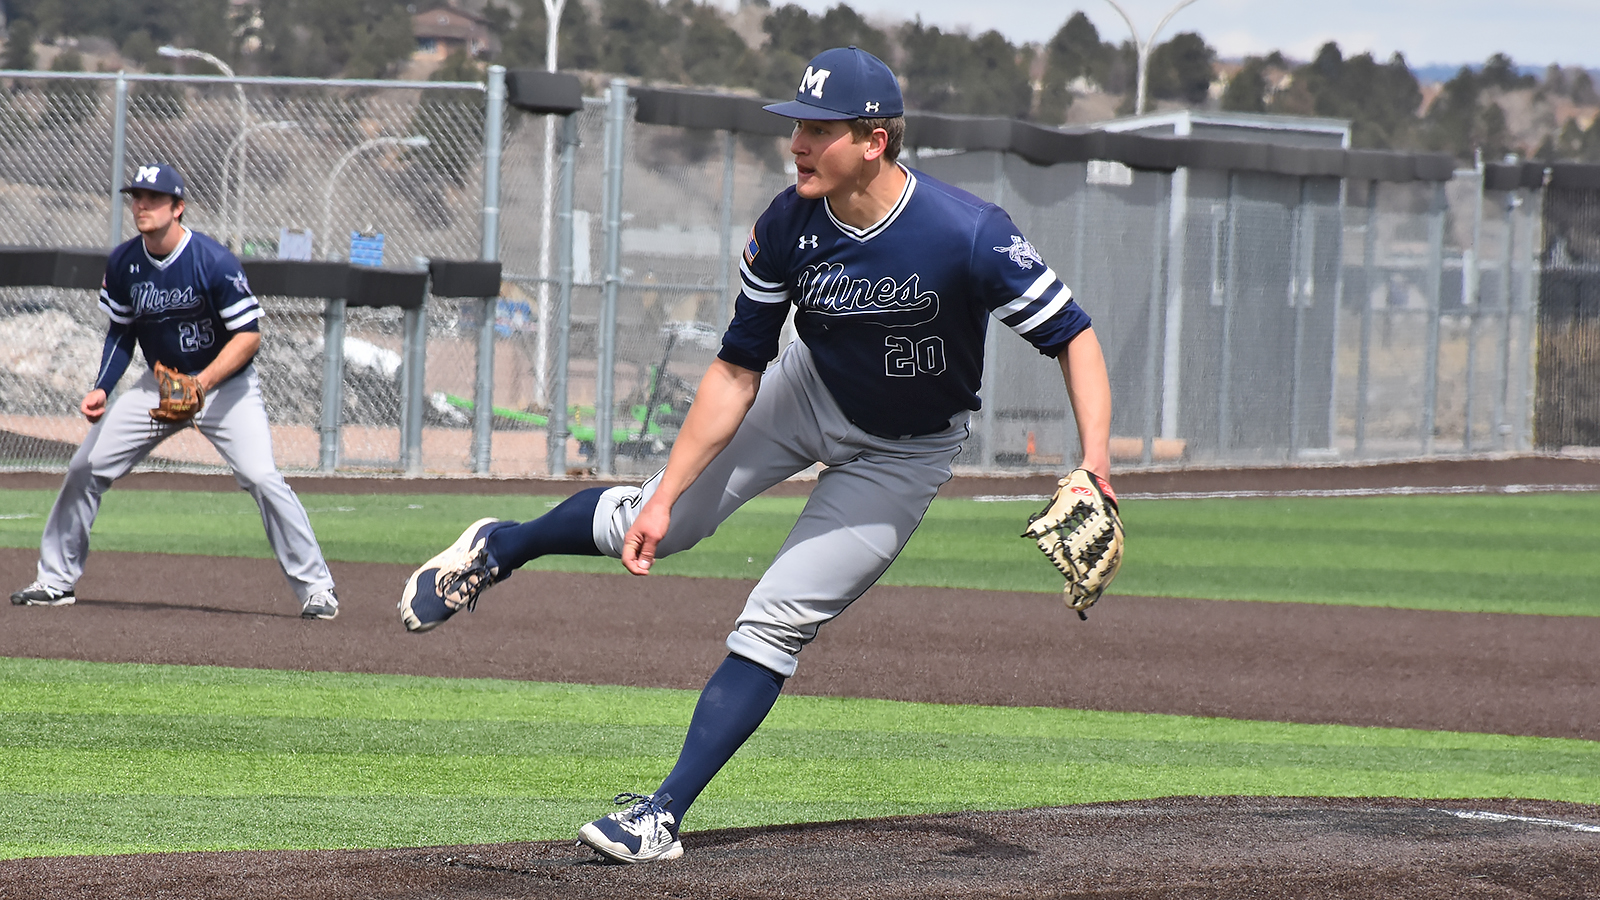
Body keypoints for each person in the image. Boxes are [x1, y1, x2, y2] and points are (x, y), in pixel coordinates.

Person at [398, 46, 1113, 863]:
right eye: (797, 127)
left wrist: (1093, 463)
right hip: (803, 392)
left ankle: (659, 816)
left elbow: (1072, 334)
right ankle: (502, 545)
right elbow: (738, 369)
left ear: (874, 141)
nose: (798, 144)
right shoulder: (785, 226)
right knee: (653, 523)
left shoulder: (968, 233)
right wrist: (666, 492)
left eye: (818, 129)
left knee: (777, 618)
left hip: (904, 455)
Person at [9, 163, 341, 620]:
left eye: (153, 198)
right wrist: (102, 388)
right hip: (159, 386)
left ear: (178, 207)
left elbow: (248, 335)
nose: (141, 205)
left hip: (225, 387)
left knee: (262, 478)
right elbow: (121, 332)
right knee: (85, 466)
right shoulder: (124, 261)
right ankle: (55, 580)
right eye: (136, 197)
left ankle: (317, 589)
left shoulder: (212, 260)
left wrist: (201, 385)